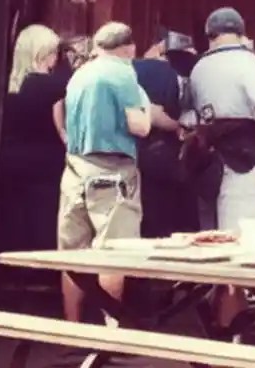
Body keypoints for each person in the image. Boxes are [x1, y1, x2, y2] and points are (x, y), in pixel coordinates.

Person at [187, 7, 255, 332]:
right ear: (242, 32)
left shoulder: (199, 67)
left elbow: (191, 116)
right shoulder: (249, 63)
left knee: (217, 235)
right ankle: (228, 322)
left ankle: (228, 313)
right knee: (243, 239)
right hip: (244, 159)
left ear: (210, 35)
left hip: (208, 160)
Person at [59, 22, 151, 323]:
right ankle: (109, 333)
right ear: (129, 48)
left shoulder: (79, 75)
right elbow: (141, 126)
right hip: (112, 170)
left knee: (73, 253)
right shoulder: (123, 72)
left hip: (74, 167)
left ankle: (72, 330)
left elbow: (59, 111)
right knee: (113, 251)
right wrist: (147, 108)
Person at [0, 25, 67, 267]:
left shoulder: (7, 88)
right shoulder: (55, 87)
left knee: (16, 217)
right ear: (44, 53)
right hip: (47, 162)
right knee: (44, 218)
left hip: (11, 161)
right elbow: (63, 131)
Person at [133, 28, 198, 238]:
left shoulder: (130, 69)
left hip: (131, 154)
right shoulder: (175, 73)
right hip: (165, 154)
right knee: (166, 222)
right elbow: (163, 113)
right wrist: (179, 126)